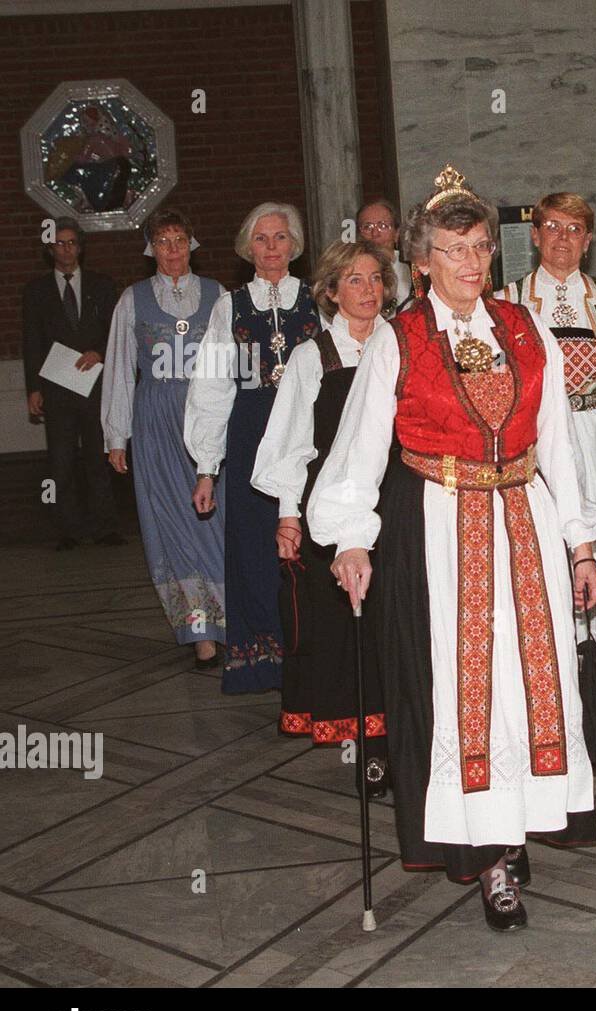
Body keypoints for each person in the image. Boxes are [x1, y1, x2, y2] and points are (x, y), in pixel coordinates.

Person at [308, 166, 596, 932]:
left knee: (527, 686)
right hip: (442, 531)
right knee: (467, 695)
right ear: (423, 263)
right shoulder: (400, 340)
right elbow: (360, 448)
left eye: (480, 247)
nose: (472, 264)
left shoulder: (522, 326)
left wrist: (579, 544)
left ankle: (517, 820)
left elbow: (560, 445)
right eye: (453, 250)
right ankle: (491, 859)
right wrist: (350, 537)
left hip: (527, 524)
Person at [498, 191, 596, 715]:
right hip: (538, 449)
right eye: (553, 227)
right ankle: (551, 693)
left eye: (575, 229)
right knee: (542, 562)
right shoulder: (507, 301)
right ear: (534, 235)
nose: (563, 238)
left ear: (588, 241)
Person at [252, 241, 392, 790]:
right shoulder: (314, 357)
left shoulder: (399, 345)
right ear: (331, 292)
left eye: (377, 278)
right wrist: (289, 517)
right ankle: (368, 748)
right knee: (346, 635)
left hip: (392, 507)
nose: (369, 290)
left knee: (391, 628)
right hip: (332, 516)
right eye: (355, 280)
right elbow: (290, 444)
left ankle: (402, 738)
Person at [185, 202, 319, 694]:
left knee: (309, 544)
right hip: (249, 436)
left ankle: (315, 655)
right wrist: (206, 468)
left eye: (280, 237)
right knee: (255, 549)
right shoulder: (230, 307)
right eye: (261, 239)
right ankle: (267, 660)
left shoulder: (318, 298)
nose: (271, 248)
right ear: (248, 247)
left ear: (295, 244)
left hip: (307, 435)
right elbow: (213, 387)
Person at [101, 208, 226, 667]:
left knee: (216, 519)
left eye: (179, 239)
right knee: (172, 522)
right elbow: (118, 369)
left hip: (209, 423)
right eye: (163, 241)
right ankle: (199, 631)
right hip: (155, 423)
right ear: (151, 248)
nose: (172, 249)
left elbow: (235, 361)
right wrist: (117, 435)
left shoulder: (217, 295)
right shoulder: (132, 300)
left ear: (191, 243)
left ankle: (231, 618)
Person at [22, 217, 122, 550]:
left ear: (81, 247)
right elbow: (31, 341)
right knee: (60, 461)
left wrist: (101, 352)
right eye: (59, 243)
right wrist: (33, 388)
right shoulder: (36, 291)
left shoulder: (103, 286)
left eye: (71, 242)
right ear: (50, 250)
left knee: (99, 457)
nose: (66, 249)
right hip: (56, 387)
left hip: (95, 387)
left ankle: (106, 527)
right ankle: (67, 530)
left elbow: (117, 332)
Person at [357, 198, 412, 313]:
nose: (375, 234)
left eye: (383, 226)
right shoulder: (349, 274)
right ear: (359, 235)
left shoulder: (415, 271)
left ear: (397, 234)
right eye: (367, 227)